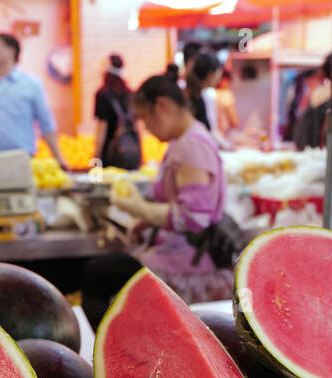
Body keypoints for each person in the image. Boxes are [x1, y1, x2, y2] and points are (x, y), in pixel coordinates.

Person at [81, 73, 231, 324]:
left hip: (188, 264)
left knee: (97, 274)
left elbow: (194, 217)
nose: (146, 128)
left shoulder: (192, 146)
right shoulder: (184, 141)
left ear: (162, 106)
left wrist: (140, 210)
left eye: (144, 118)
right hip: (172, 251)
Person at [0, 33, 66, 164]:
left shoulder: (31, 84)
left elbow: (46, 123)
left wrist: (58, 157)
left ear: (11, 51)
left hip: (22, 158)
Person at [94, 53, 140, 170]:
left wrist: (96, 156)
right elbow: (137, 126)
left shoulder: (103, 94)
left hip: (110, 152)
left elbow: (102, 128)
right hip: (130, 152)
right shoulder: (130, 93)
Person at [185, 53, 221, 129]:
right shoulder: (207, 95)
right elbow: (210, 130)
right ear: (211, 74)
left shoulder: (189, 92)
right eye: (219, 73)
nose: (220, 78)